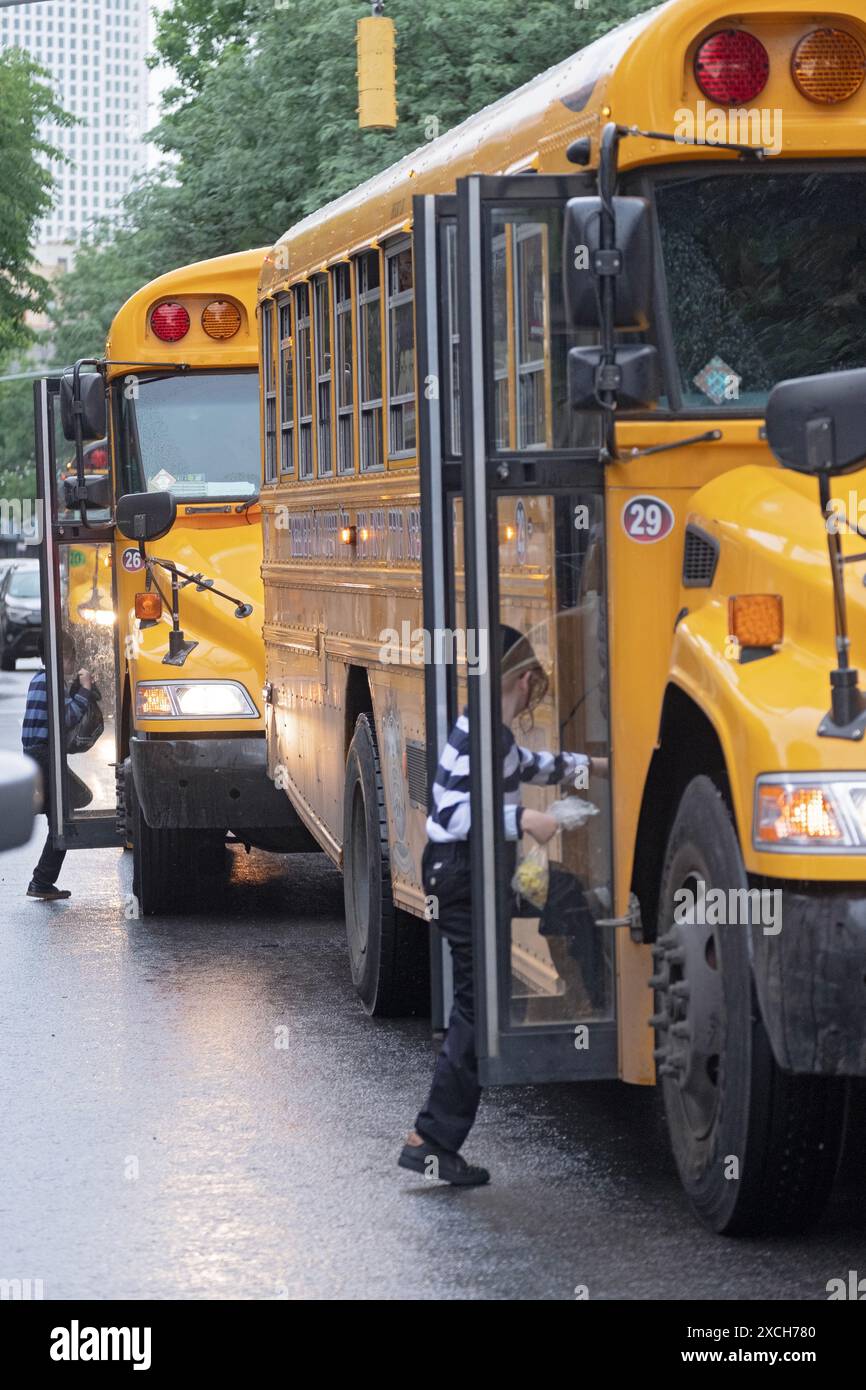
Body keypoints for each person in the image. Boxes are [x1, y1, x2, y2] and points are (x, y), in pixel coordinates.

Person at [399, 626, 606, 1187]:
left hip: (484, 873)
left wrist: (595, 767)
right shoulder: (478, 738)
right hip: (464, 878)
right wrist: (524, 820)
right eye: (534, 681)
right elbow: (450, 817)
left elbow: (537, 767)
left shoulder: (494, 736)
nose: (535, 691)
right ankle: (432, 1139)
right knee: (477, 1004)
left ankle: (587, 1002)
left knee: (565, 894)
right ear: (521, 679)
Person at [22, 632, 95, 900]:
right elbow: (68, 716)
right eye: (71, 657)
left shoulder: (39, 679)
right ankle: (41, 880)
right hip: (43, 756)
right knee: (66, 816)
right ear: (61, 657)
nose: (73, 662)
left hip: (35, 754)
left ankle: (41, 881)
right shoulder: (51, 682)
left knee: (60, 817)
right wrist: (85, 689)